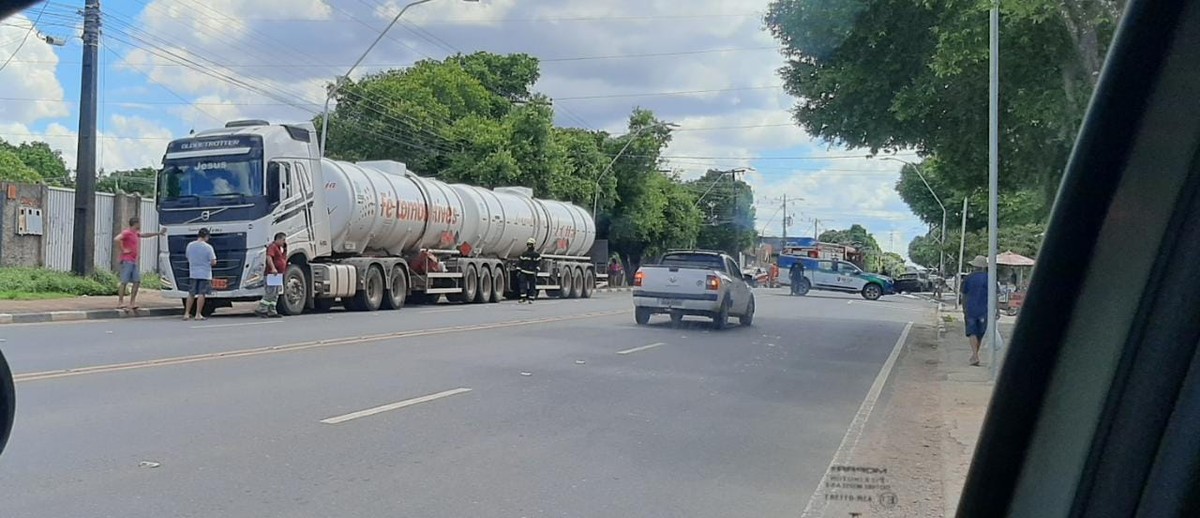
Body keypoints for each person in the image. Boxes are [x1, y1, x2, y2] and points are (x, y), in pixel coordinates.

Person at [113, 217, 166, 310]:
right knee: (124, 281)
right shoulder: (127, 232)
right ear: (135, 224)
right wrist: (123, 250)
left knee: (137, 281)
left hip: (134, 261)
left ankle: (132, 302)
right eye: (139, 223)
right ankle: (120, 302)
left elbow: (145, 234)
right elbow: (117, 239)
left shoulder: (135, 233)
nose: (140, 225)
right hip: (127, 260)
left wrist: (158, 233)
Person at [961, 255, 991, 366]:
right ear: (984, 267)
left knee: (972, 332)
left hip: (971, 309)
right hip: (985, 310)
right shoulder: (990, 278)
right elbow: (994, 295)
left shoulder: (968, 278)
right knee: (980, 333)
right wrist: (996, 309)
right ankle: (975, 355)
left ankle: (975, 355)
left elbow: (963, 295)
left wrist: (964, 308)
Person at [183, 228, 217, 321]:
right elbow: (213, 261)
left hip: (193, 272)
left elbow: (187, 256)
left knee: (191, 293)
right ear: (206, 236)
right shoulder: (208, 247)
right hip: (205, 274)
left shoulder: (190, 245)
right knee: (202, 293)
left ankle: (186, 313)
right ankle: (198, 314)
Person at [257, 232, 287, 318]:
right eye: (283, 240)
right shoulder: (272, 247)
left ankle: (272, 310)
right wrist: (273, 268)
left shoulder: (279, 248)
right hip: (272, 274)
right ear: (278, 239)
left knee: (276, 293)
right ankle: (261, 309)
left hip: (278, 274)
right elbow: (269, 257)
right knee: (271, 292)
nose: (284, 242)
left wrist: (285, 249)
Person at [517, 237, 540, 303]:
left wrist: (518, 271)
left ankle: (527, 298)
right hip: (528, 272)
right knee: (528, 286)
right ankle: (529, 298)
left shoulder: (525, 254)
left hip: (526, 272)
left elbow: (520, 263)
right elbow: (538, 264)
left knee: (525, 285)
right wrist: (536, 271)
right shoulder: (535, 255)